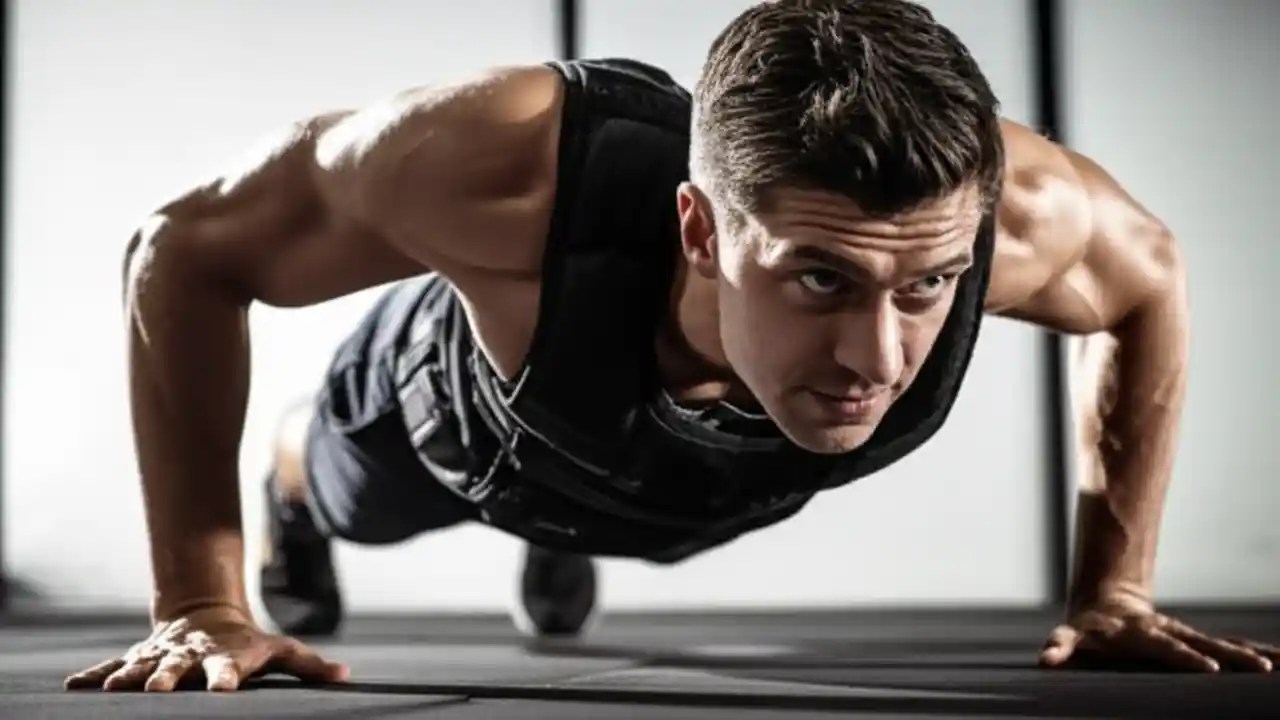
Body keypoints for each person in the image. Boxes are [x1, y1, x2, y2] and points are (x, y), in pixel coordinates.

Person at [64, 0, 1276, 695]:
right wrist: (200, 599)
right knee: (345, 492)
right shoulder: (502, 166)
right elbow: (183, 249)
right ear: (697, 228)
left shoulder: (1020, 220)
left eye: (928, 286)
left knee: (679, 507)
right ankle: (302, 485)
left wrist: (1111, 591)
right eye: (819, 276)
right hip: (454, 425)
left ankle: (561, 550)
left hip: (686, 483)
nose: (875, 354)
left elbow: (1148, 279)